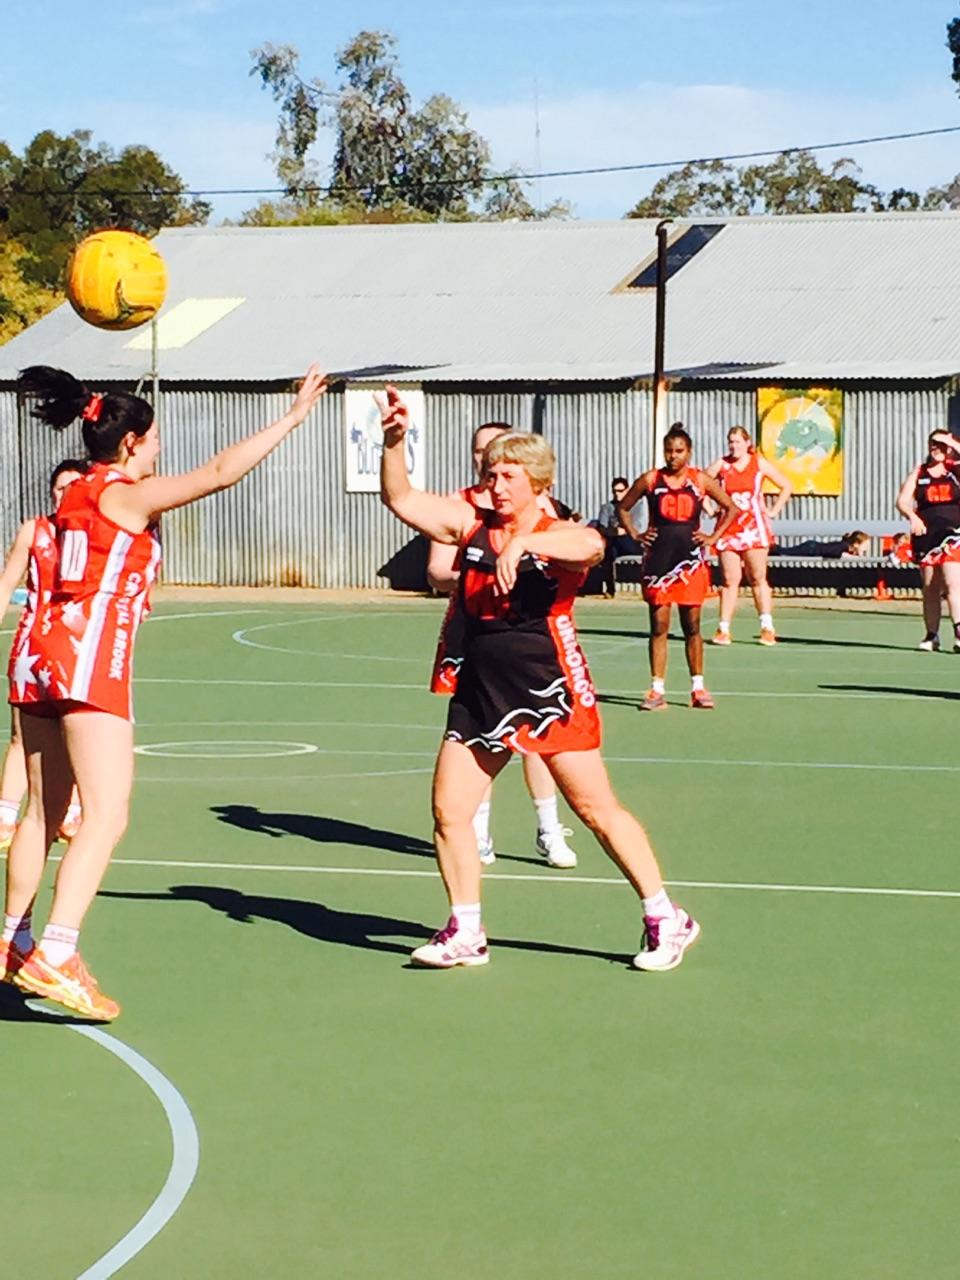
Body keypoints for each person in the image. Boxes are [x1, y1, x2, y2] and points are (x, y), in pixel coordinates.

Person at [0, 362, 329, 1018]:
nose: (158, 452)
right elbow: (219, 473)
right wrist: (293, 418)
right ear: (129, 445)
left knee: (42, 810)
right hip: (87, 662)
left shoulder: (71, 495)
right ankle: (58, 953)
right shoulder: (121, 494)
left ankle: (13, 938)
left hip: (37, 658)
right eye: (152, 443)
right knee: (106, 814)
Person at [378, 386, 700, 972]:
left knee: (596, 809)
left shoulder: (561, 531)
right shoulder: (471, 523)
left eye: (506, 475)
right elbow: (400, 498)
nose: (493, 483)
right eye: (490, 472)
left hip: (547, 682)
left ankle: (666, 917)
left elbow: (592, 546)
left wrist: (526, 541)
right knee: (450, 811)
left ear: (537, 483)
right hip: (481, 685)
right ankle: (467, 931)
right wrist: (395, 443)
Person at [428, 422, 579, 869]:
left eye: (494, 453)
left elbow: (581, 547)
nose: (486, 461)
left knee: (535, 736)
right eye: (480, 453)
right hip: (473, 629)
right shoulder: (460, 509)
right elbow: (437, 572)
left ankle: (549, 829)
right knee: (479, 734)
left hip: (524, 636)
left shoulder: (538, 506)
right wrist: (486, 573)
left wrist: (523, 570)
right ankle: (480, 833)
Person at [0, 459, 89, 851]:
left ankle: (66, 813)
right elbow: (7, 584)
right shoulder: (35, 532)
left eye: (74, 486)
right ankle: (4, 817)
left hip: (79, 652)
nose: (66, 494)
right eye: (59, 488)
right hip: (33, 648)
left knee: (77, 738)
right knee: (22, 738)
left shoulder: (96, 536)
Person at [618, 425, 736, 712]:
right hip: (658, 562)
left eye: (679, 451)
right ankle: (657, 689)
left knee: (692, 626)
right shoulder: (651, 479)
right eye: (669, 451)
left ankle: (697, 686)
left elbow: (730, 508)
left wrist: (712, 537)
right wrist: (635, 534)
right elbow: (623, 507)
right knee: (659, 626)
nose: (673, 457)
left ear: (689, 452)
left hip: (691, 561)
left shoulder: (700, 480)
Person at [706, 427, 792, 646]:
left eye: (737, 442)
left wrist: (773, 510)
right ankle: (723, 628)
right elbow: (699, 484)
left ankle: (767, 627)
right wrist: (709, 508)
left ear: (747, 442)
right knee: (729, 580)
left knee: (757, 577)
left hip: (753, 527)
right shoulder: (722, 465)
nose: (734, 446)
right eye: (730, 442)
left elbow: (786, 485)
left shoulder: (758, 463)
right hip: (728, 528)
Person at [896, 430, 960, 652]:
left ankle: (959, 631)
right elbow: (903, 501)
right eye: (934, 444)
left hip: (954, 534)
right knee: (930, 587)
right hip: (927, 535)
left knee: (953, 584)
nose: (938, 449)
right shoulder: (920, 472)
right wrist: (913, 517)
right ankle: (932, 635)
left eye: (942, 445)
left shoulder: (955, 471)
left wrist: (952, 443)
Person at [595, 476, 642, 597]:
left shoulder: (635, 506)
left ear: (627, 491)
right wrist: (616, 531)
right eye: (615, 491)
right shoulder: (607, 507)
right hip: (614, 542)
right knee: (609, 550)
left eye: (620, 491)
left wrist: (618, 530)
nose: (617, 494)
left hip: (631, 542)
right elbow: (602, 528)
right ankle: (610, 589)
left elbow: (635, 527)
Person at [769, 531, 871, 558]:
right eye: (864, 546)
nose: (866, 548)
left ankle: (773, 549)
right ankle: (771, 548)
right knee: (787, 553)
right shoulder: (842, 546)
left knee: (787, 552)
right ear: (856, 544)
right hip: (810, 548)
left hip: (812, 547)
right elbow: (833, 552)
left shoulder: (845, 546)